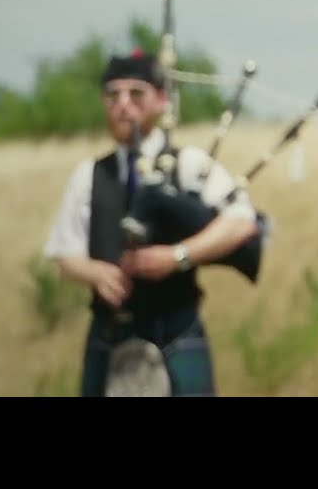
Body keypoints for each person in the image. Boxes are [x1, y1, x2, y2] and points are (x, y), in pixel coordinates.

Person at [42, 50, 260, 397]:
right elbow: (65, 255)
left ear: (161, 101)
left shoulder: (188, 164)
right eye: (113, 95)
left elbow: (241, 223)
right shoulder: (90, 175)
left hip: (175, 329)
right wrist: (95, 274)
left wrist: (178, 256)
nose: (123, 105)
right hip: (110, 333)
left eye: (136, 94)